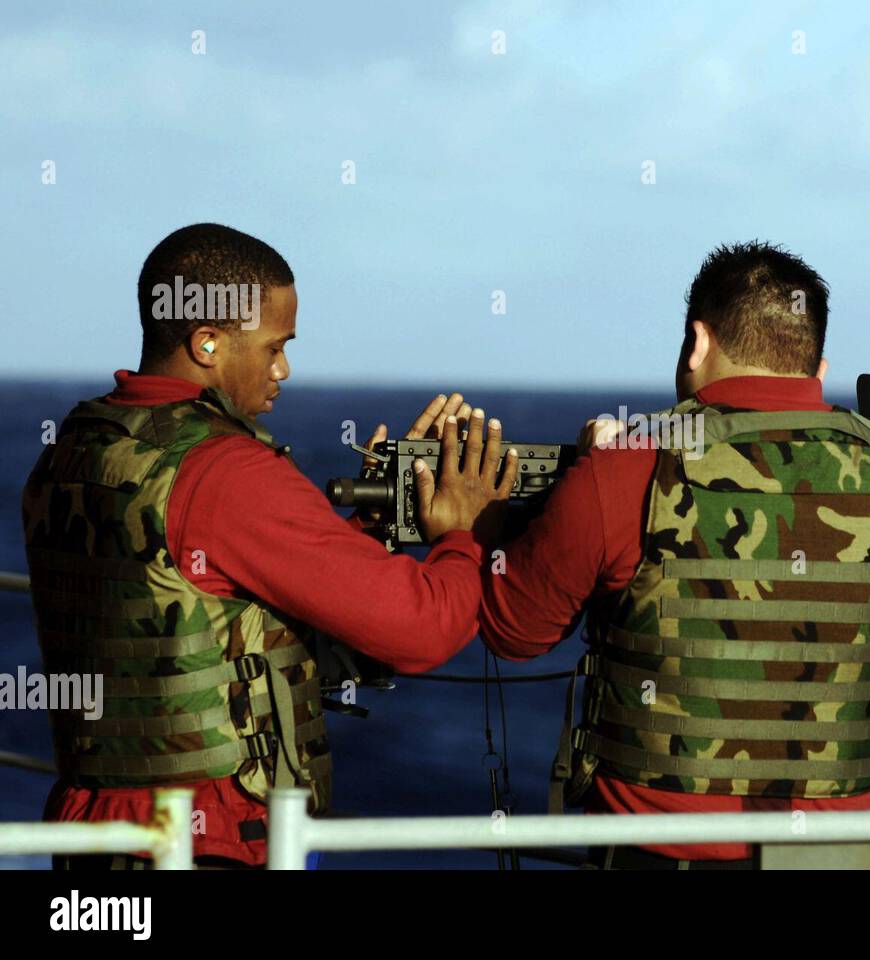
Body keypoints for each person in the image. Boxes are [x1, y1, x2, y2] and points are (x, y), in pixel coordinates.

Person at [477, 241, 870, 868]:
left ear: (697, 343)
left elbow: (515, 631)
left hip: (655, 856)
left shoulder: (628, 471)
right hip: (834, 860)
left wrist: (477, 525)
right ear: (817, 366)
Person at [21, 222, 518, 868]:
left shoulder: (77, 447)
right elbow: (423, 628)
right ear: (206, 342)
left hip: (91, 831)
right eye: (274, 346)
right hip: (213, 840)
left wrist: (373, 526)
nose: (283, 369)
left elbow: (194, 593)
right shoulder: (226, 471)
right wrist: (464, 530)